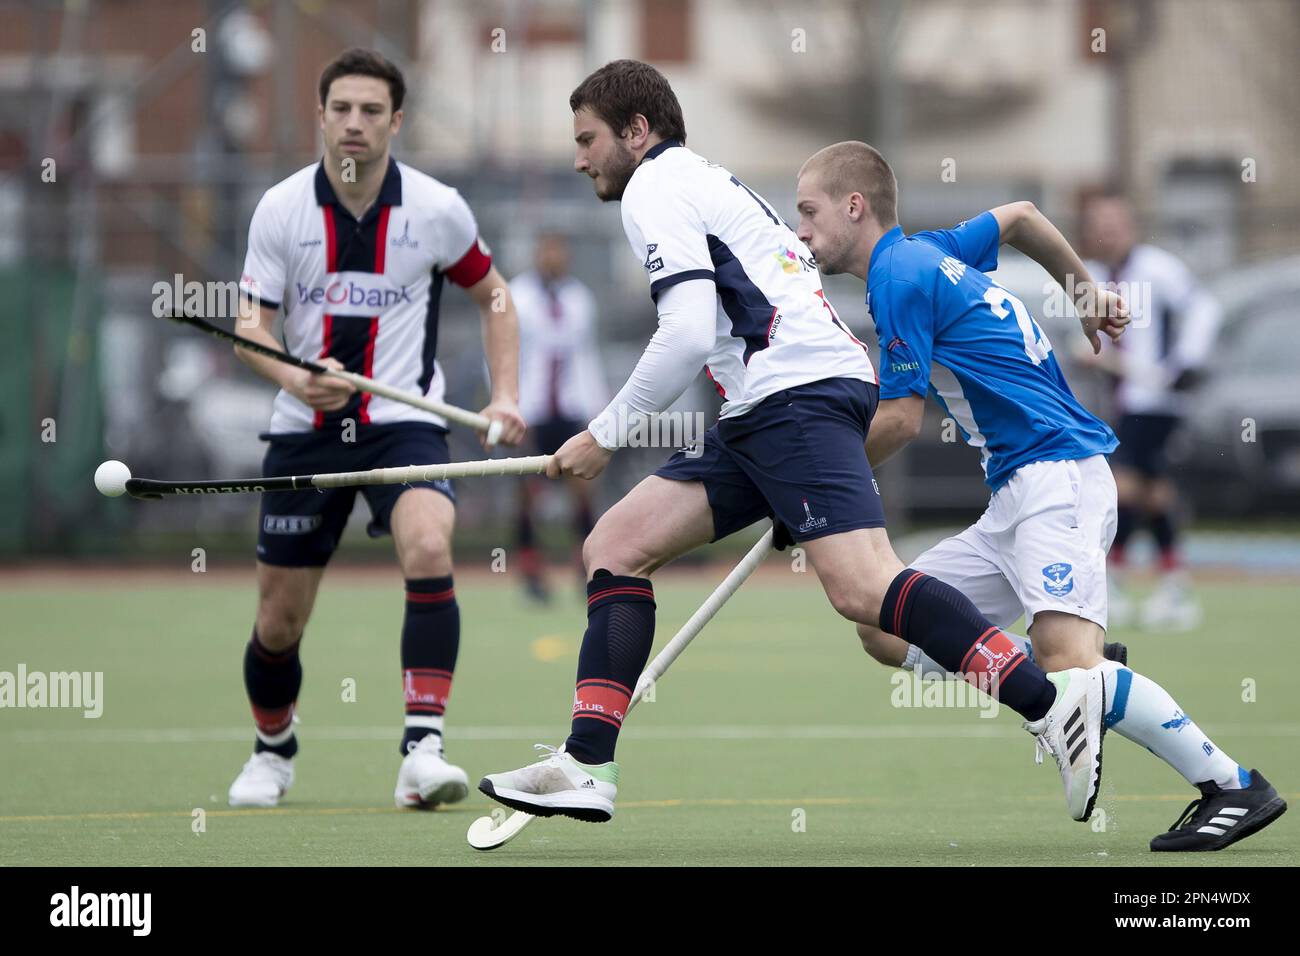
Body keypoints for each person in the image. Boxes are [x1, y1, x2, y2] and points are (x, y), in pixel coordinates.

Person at [478, 60, 1114, 828]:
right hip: (762, 407)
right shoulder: (696, 180)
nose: (580, 158)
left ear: (636, 133)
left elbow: (681, 337)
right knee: (616, 542)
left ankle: (1049, 705)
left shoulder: (653, 188)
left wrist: (602, 435)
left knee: (863, 591)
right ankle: (587, 765)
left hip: (796, 398)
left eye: (587, 140)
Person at [795, 141, 1284, 851]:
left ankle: (1233, 785)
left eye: (809, 213)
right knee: (884, 623)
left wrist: (807, 487)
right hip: (1016, 495)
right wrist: (1087, 295)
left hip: (1060, 477)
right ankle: (1073, 675)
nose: (802, 231)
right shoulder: (932, 251)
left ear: (854, 206)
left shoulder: (898, 276)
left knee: (1070, 667)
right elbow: (1022, 218)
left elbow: (901, 419)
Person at [227, 48, 526, 809]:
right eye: (341, 109)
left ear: (396, 121)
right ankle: (272, 751)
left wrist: (506, 396)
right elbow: (248, 323)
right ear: (321, 116)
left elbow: (494, 297)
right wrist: (295, 376)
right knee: (279, 620)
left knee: (429, 544)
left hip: (405, 425)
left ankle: (422, 751)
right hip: (304, 428)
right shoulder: (280, 209)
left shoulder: (436, 208)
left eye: (370, 111)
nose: (354, 124)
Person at [1080, 192, 1223, 630]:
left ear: (1131, 225)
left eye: (1114, 221)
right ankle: (1173, 585)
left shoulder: (1157, 269)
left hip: (1157, 402)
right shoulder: (1096, 276)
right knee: (1153, 492)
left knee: (1121, 486)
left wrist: (1184, 364)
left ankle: (1116, 581)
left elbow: (1204, 308)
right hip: (1124, 402)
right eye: (1098, 222)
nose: (1107, 230)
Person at [509, 232, 608, 600]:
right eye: (548, 251)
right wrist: (509, 409)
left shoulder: (579, 298)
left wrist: (598, 412)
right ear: (537, 255)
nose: (554, 258)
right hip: (530, 413)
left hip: (570, 410)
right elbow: (504, 356)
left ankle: (585, 567)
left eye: (560, 252)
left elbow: (586, 355)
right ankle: (531, 572)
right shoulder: (517, 296)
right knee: (528, 493)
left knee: (582, 490)